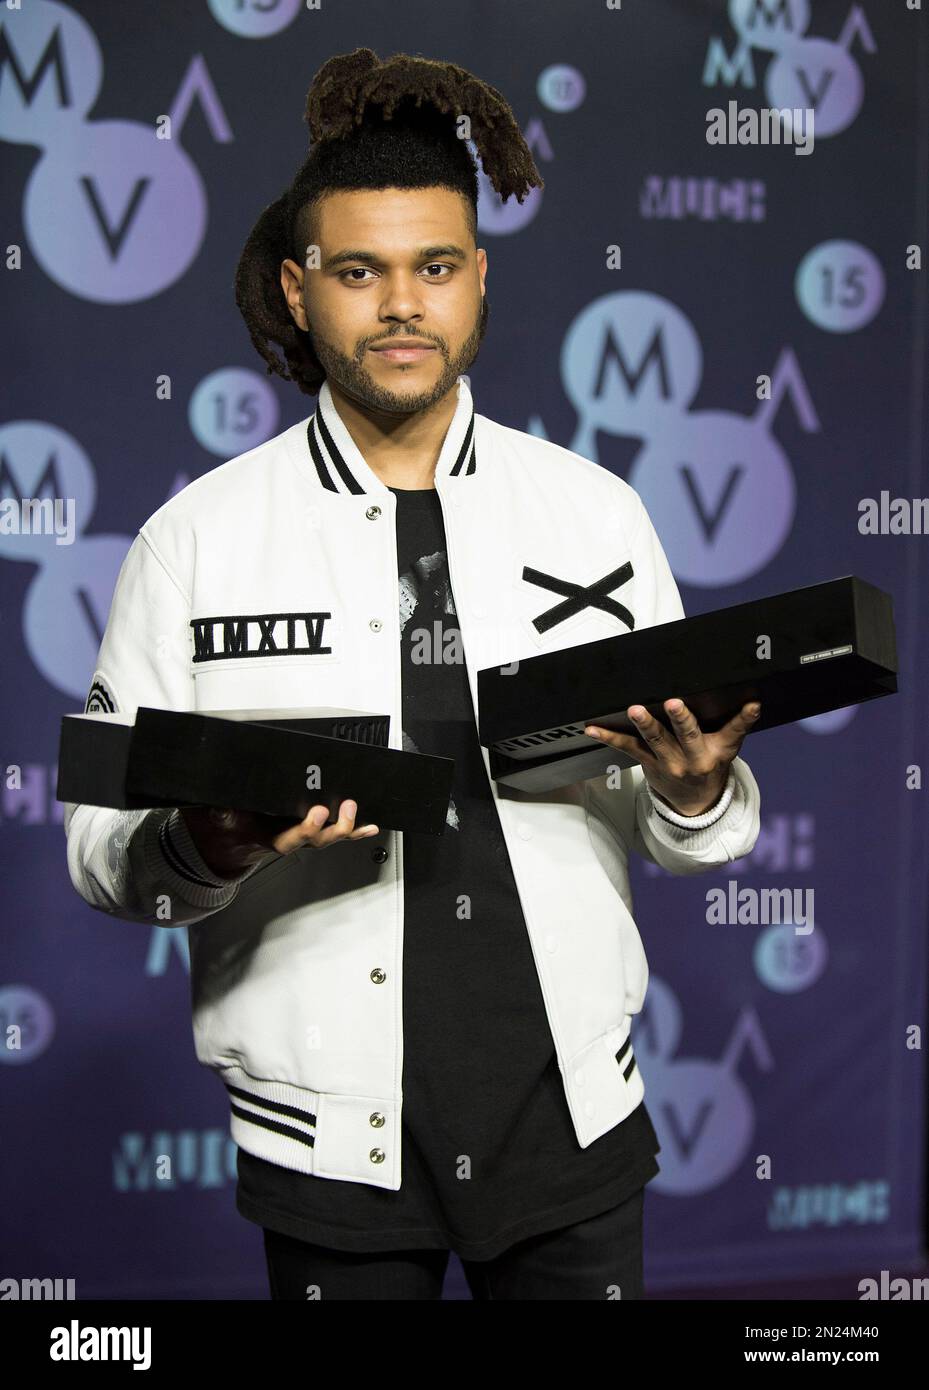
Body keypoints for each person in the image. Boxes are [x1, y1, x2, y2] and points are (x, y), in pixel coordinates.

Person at [63, 47, 762, 1301]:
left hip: (573, 1122)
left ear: (477, 279)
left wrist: (698, 792)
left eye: (433, 268)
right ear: (296, 288)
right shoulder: (199, 539)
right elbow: (103, 853)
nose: (400, 306)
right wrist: (205, 847)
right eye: (358, 272)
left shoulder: (597, 512)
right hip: (329, 1141)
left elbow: (685, 838)